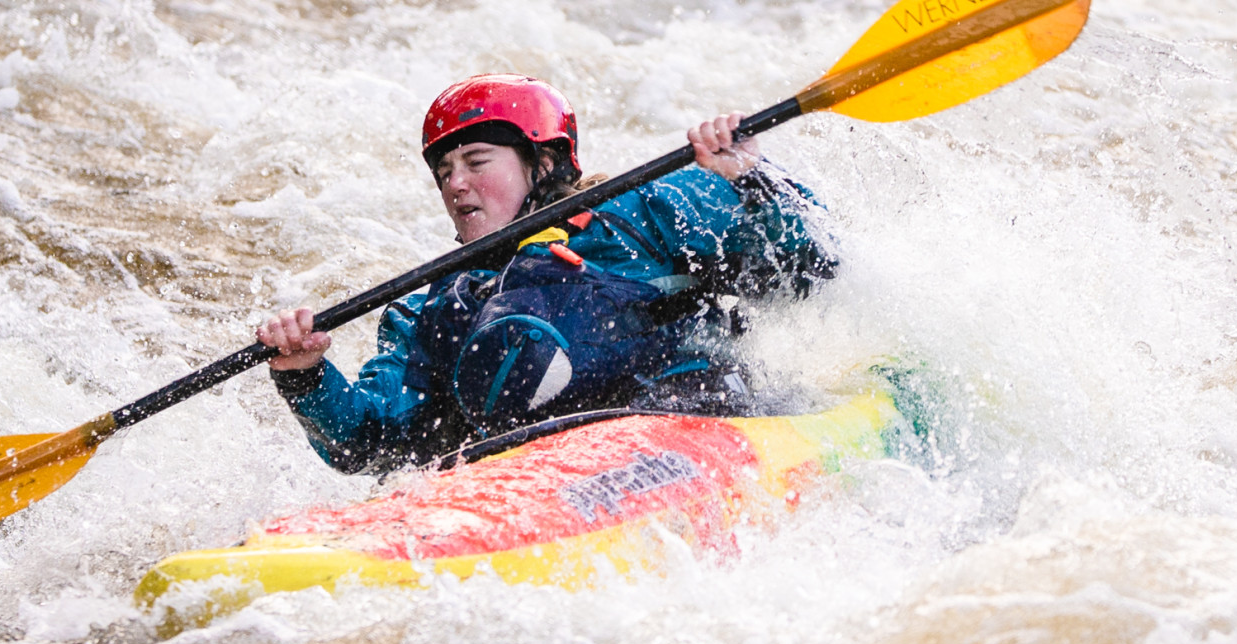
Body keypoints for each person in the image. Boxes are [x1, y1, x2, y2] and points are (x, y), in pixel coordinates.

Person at [256, 74, 837, 472]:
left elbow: (814, 266)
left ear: (546, 163)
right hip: (545, 478)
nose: (456, 184)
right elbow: (370, 443)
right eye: (444, 173)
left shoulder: (649, 207)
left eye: (477, 162)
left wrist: (751, 181)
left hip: (706, 427)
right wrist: (306, 374)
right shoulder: (429, 309)